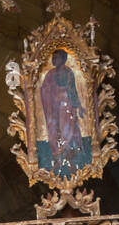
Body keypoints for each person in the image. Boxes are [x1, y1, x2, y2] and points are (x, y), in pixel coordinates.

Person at [38, 49, 90, 178]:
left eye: (57, 58)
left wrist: (79, 107)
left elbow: (73, 91)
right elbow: (44, 89)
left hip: (66, 106)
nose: (54, 60)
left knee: (68, 129)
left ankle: (71, 159)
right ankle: (58, 159)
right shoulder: (50, 74)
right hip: (53, 106)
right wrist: (51, 91)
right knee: (55, 129)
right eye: (53, 58)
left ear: (63, 59)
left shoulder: (68, 72)